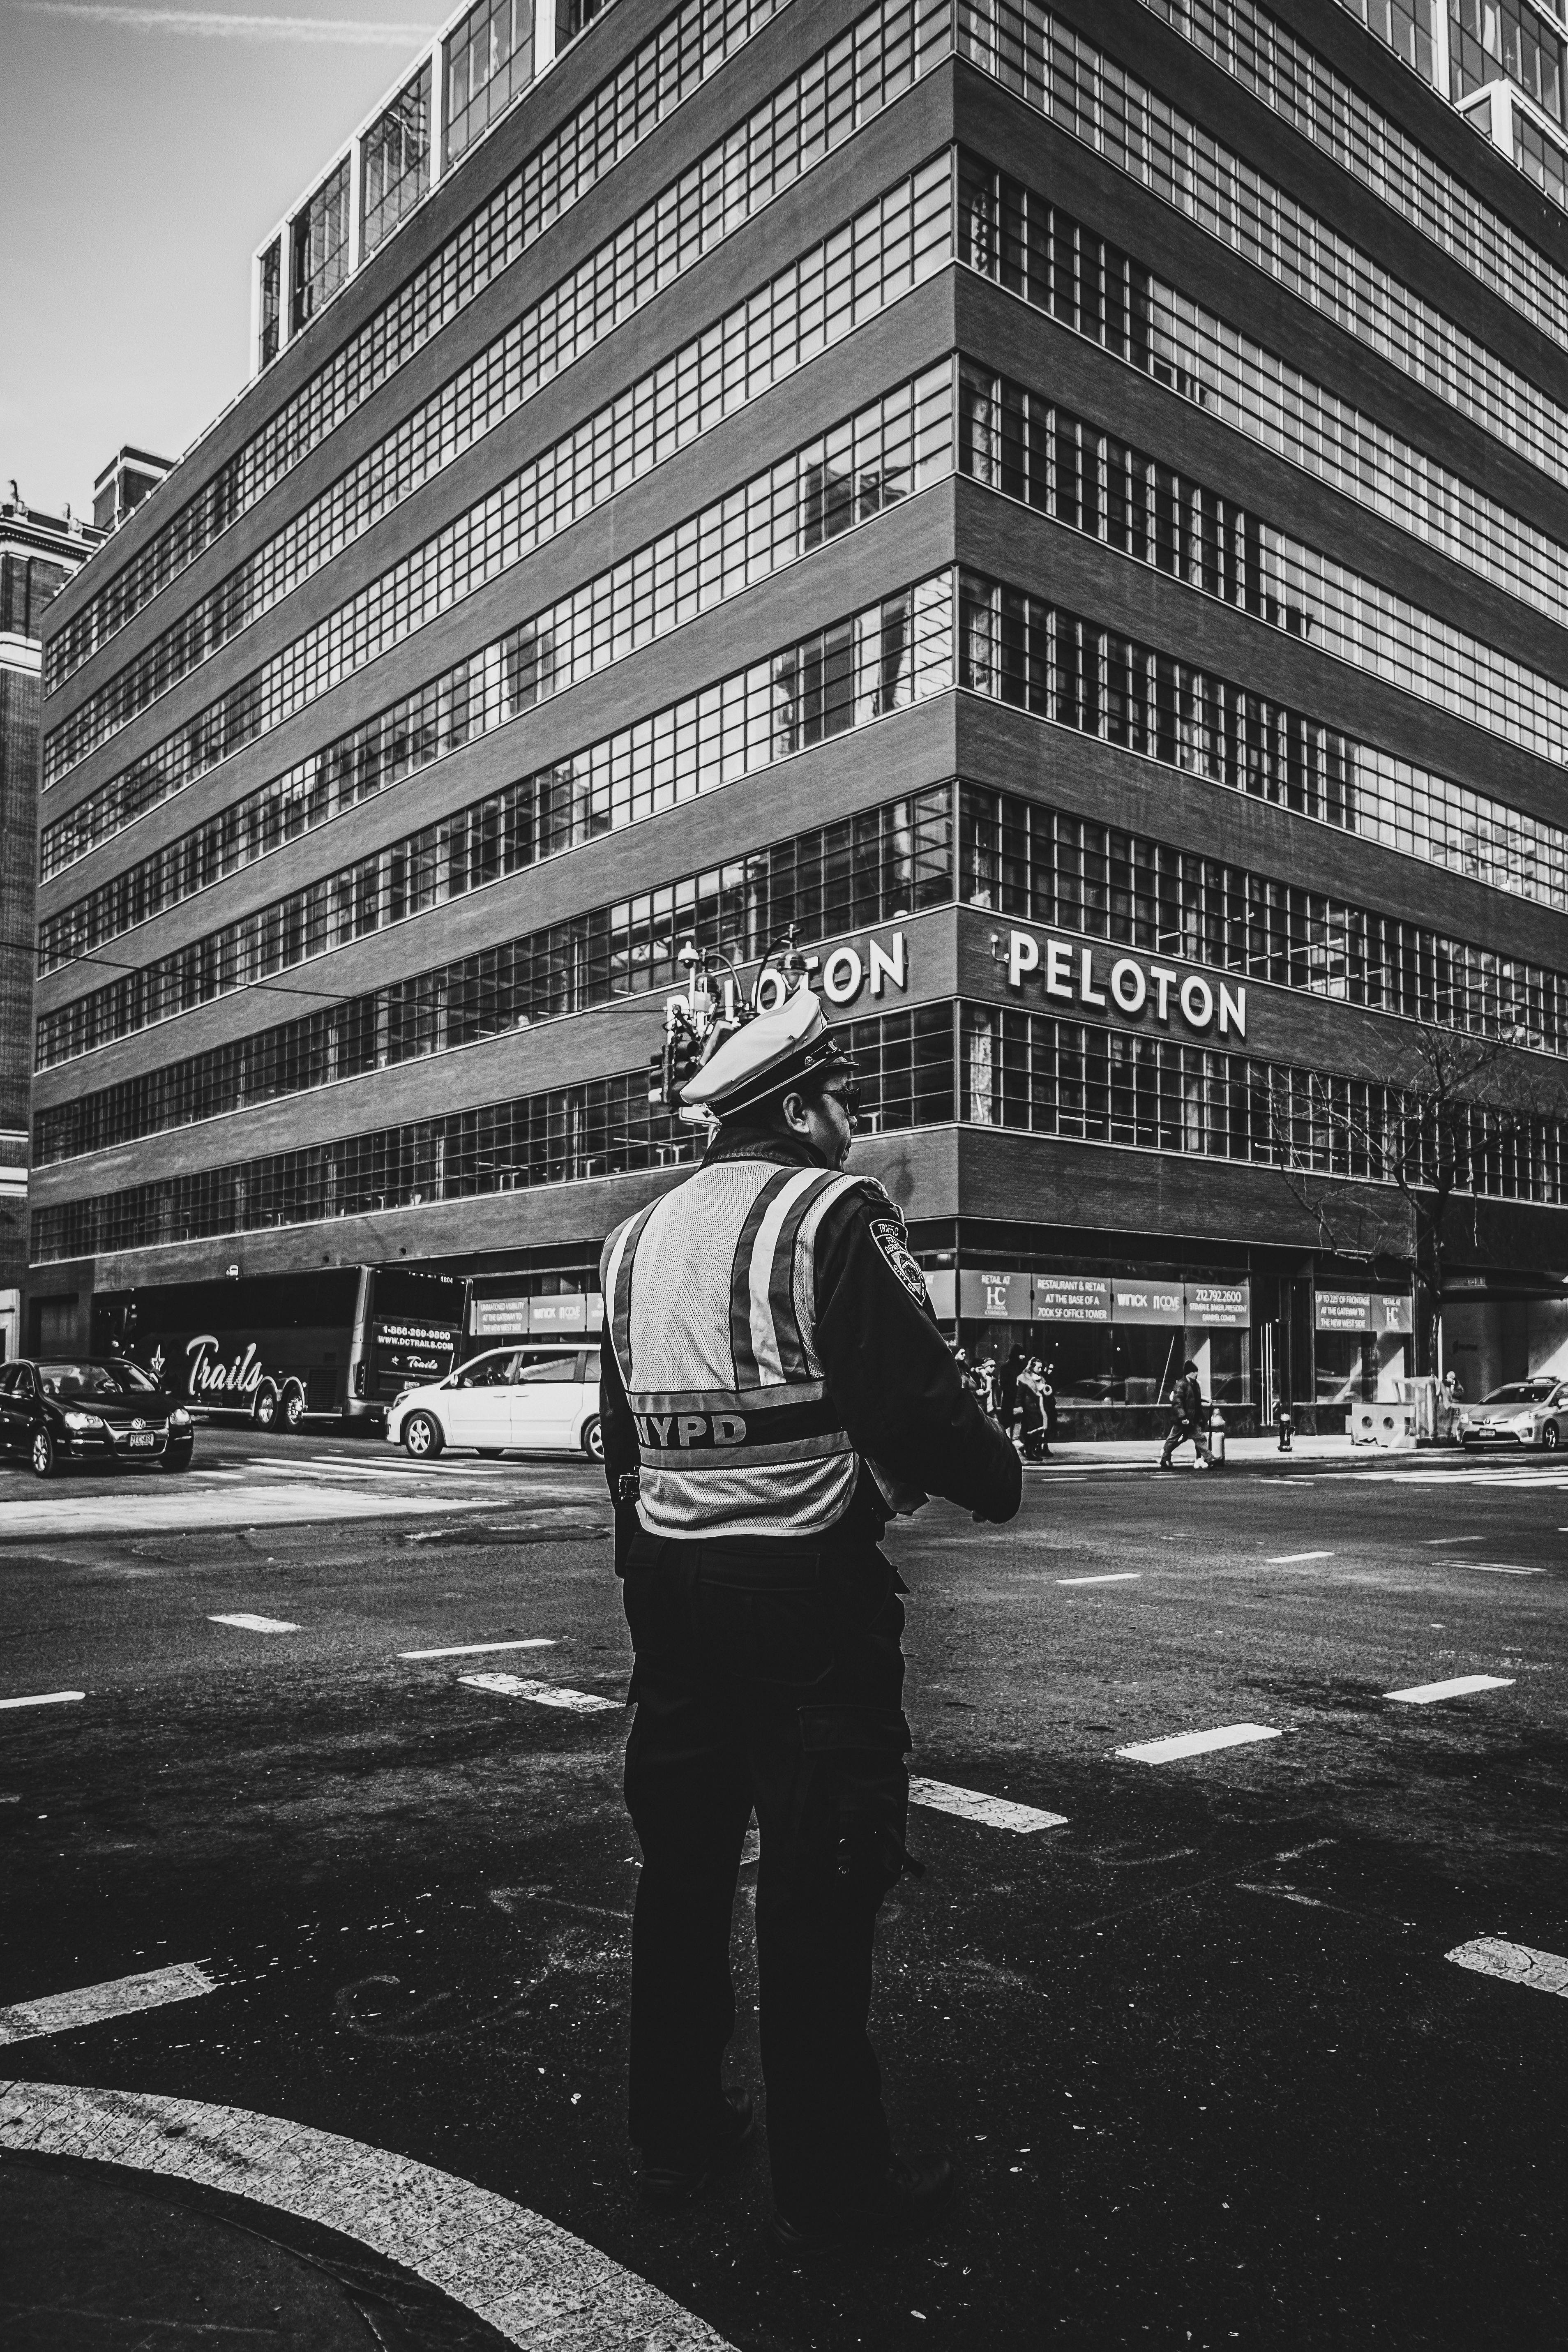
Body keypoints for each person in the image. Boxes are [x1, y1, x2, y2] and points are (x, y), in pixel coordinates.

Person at [598, 986, 1022, 2248]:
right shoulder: (833, 1213)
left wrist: (647, 1567)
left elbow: (622, 1444)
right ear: (795, 1109)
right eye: (843, 1098)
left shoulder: (633, 1240)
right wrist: (995, 1476)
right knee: (819, 1886)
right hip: (803, 1600)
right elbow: (914, 1399)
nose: (857, 1118)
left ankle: (675, 2135)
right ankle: (835, 2189)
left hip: (670, 1599)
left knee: (681, 1874)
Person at [1159, 1358, 1211, 1470]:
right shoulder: (1181, 1384)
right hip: (1183, 1420)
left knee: (1200, 1438)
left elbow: (1195, 1398)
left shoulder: (1194, 1384)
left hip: (1193, 1418)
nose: (1197, 1374)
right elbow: (1177, 1402)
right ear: (1189, 1373)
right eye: (1195, 1372)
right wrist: (1183, 1417)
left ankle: (1210, 1459)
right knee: (1173, 1439)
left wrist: (1205, 1399)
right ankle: (1165, 1458)